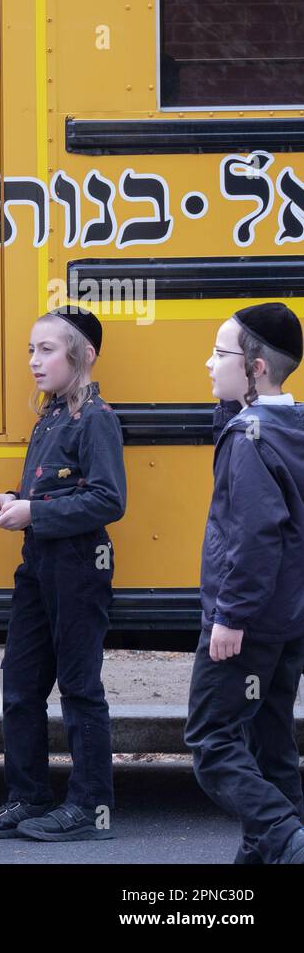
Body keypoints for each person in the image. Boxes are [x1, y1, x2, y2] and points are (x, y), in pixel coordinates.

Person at [0, 305, 125, 842]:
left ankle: (88, 805)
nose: (34, 361)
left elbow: (108, 499)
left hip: (78, 567)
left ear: (84, 355)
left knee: (79, 688)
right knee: (21, 684)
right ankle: (27, 798)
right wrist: (10, 500)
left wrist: (35, 513)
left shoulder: (95, 419)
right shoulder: (51, 417)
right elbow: (46, 493)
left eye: (47, 349)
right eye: (31, 349)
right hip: (37, 566)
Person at [185, 302, 304, 865]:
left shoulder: (249, 439)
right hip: (287, 620)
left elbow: (256, 535)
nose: (209, 363)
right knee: (272, 744)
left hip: (246, 623)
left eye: (220, 352)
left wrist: (229, 615)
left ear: (255, 368)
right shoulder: (286, 426)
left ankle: (284, 834)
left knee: (212, 742)